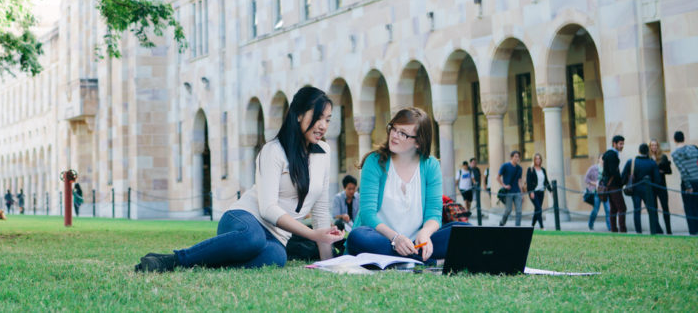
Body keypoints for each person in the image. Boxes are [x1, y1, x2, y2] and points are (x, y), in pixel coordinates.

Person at [134, 86, 342, 272]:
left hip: (277, 237)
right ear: (298, 115)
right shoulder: (274, 151)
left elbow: (321, 211)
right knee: (252, 238)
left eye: (328, 119)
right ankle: (173, 260)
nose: (323, 125)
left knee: (276, 258)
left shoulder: (323, 151)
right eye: (318, 117)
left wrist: (329, 263)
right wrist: (312, 235)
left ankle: (206, 263)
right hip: (243, 220)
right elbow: (267, 209)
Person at [345, 107, 463, 264]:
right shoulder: (374, 162)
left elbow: (434, 214)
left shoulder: (431, 165)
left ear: (419, 143)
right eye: (393, 128)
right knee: (358, 237)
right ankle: (418, 259)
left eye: (403, 133)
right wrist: (396, 239)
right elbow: (367, 214)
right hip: (383, 239)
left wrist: (425, 234)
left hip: (416, 242)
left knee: (462, 230)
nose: (394, 135)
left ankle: (411, 256)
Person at [622, 143, 661, 234]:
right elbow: (657, 179)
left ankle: (638, 231)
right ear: (647, 151)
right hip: (648, 189)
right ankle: (654, 229)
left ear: (639, 151)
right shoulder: (652, 163)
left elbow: (623, 176)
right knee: (651, 210)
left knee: (637, 210)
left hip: (635, 189)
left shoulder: (631, 162)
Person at [670, 131, 698, 235]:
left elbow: (683, 171)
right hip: (697, 180)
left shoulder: (675, 154)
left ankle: (693, 230)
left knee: (689, 207)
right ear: (684, 138)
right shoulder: (694, 149)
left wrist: (688, 186)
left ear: (674, 140)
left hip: (688, 182)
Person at [602, 135, 627, 232]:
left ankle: (614, 229)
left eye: (622, 144)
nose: (622, 146)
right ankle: (622, 229)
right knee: (622, 208)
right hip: (613, 186)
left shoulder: (610, 154)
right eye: (620, 144)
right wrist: (621, 181)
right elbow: (613, 172)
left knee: (613, 209)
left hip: (610, 185)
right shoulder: (612, 155)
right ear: (614, 144)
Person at [648, 139, 672, 234]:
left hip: (662, 186)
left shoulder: (663, 157)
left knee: (665, 208)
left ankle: (669, 230)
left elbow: (669, 171)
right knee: (654, 208)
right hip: (652, 187)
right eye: (652, 145)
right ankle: (657, 230)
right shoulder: (648, 158)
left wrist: (661, 171)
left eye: (655, 145)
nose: (654, 147)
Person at [497, 151, 524, 227]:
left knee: (519, 211)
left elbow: (519, 181)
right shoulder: (505, 166)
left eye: (518, 156)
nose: (517, 158)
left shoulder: (519, 168)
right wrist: (504, 186)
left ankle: (517, 227)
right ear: (511, 157)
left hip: (517, 192)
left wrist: (522, 194)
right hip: (508, 192)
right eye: (515, 156)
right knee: (508, 210)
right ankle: (502, 223)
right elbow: (498, 177)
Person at [584, 157, 610, 231]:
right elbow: (586, 179)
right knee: (596, 210)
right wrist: (595, 183)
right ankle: (590, 224)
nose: (603, 160)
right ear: (598, 159)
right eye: (602, 158)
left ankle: (609, 227)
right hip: (596, 192)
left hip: (605, 192)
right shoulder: (593, 168)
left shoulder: (607, 168)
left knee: (608, 209)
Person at [525, 153, 551, 229]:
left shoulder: (543, 170)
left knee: (537, 209)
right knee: (539, 209)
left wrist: (551, 190)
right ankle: (542, 226)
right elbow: (528, 182)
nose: (538, 160)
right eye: (536, 158)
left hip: (541, 192)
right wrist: (531, 192)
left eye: (539, 158)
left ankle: (532, 225)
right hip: (534, 192)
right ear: (534, 160)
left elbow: (546, 181)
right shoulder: (530, 169)